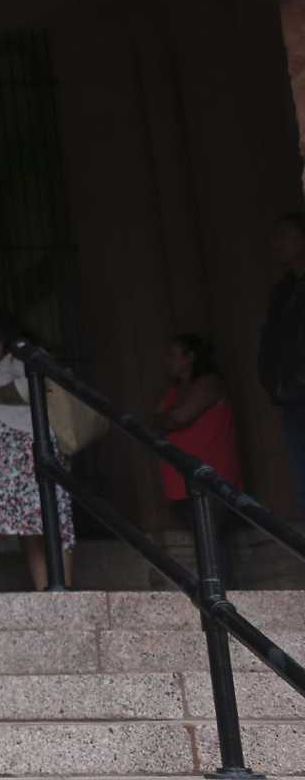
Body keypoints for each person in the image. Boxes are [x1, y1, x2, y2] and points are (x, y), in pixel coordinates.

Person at [0, 308, 76, 591]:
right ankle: (44, 590)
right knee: (28, 527)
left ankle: (64, 591)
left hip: (28, 452)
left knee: (53, 519)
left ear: (3, 335)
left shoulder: (25, 356)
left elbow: (41, 383)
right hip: (6, 462)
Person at [154, 332, 243, 582]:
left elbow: (177, 418)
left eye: (173, 355)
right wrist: (165, 418)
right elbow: (157, 418)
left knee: (211, 541)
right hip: (183, 484)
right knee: (206, 541)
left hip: (212, 479)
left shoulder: (208, 383)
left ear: (190, 357)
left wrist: (166, 419)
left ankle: (223, 599)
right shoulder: (176, 390)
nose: (167, 361)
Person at [257, 212, 305, 516]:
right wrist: (271, 380)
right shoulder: (282, 290)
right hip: (289, 395)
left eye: (285, 235)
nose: (278, 244)